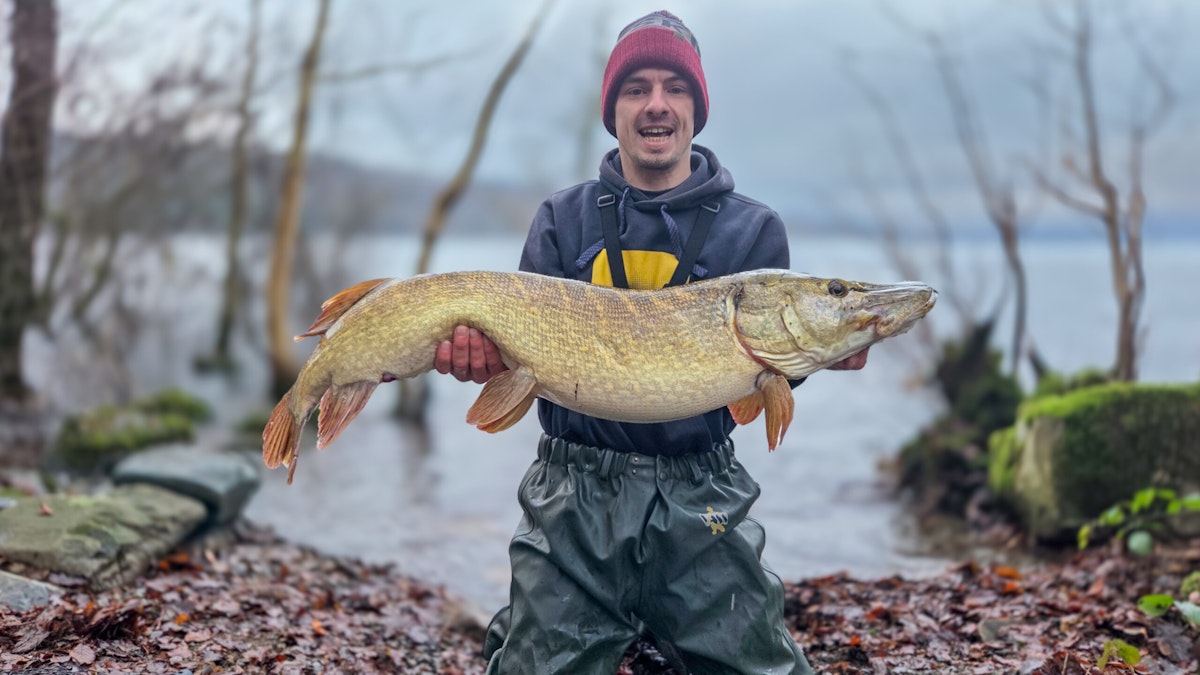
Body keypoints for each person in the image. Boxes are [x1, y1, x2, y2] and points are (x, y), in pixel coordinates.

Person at [434, 10, 867, 674]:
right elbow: (514, 361)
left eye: (674, 87)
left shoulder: (754, 235)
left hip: (703, 495)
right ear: (614, 110)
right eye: (636, 89)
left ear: (697, 106)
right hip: (574, 493)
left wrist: (822, 352)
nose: (656, 104)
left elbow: (767, 373)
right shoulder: (562, 219)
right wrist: (479, 358)